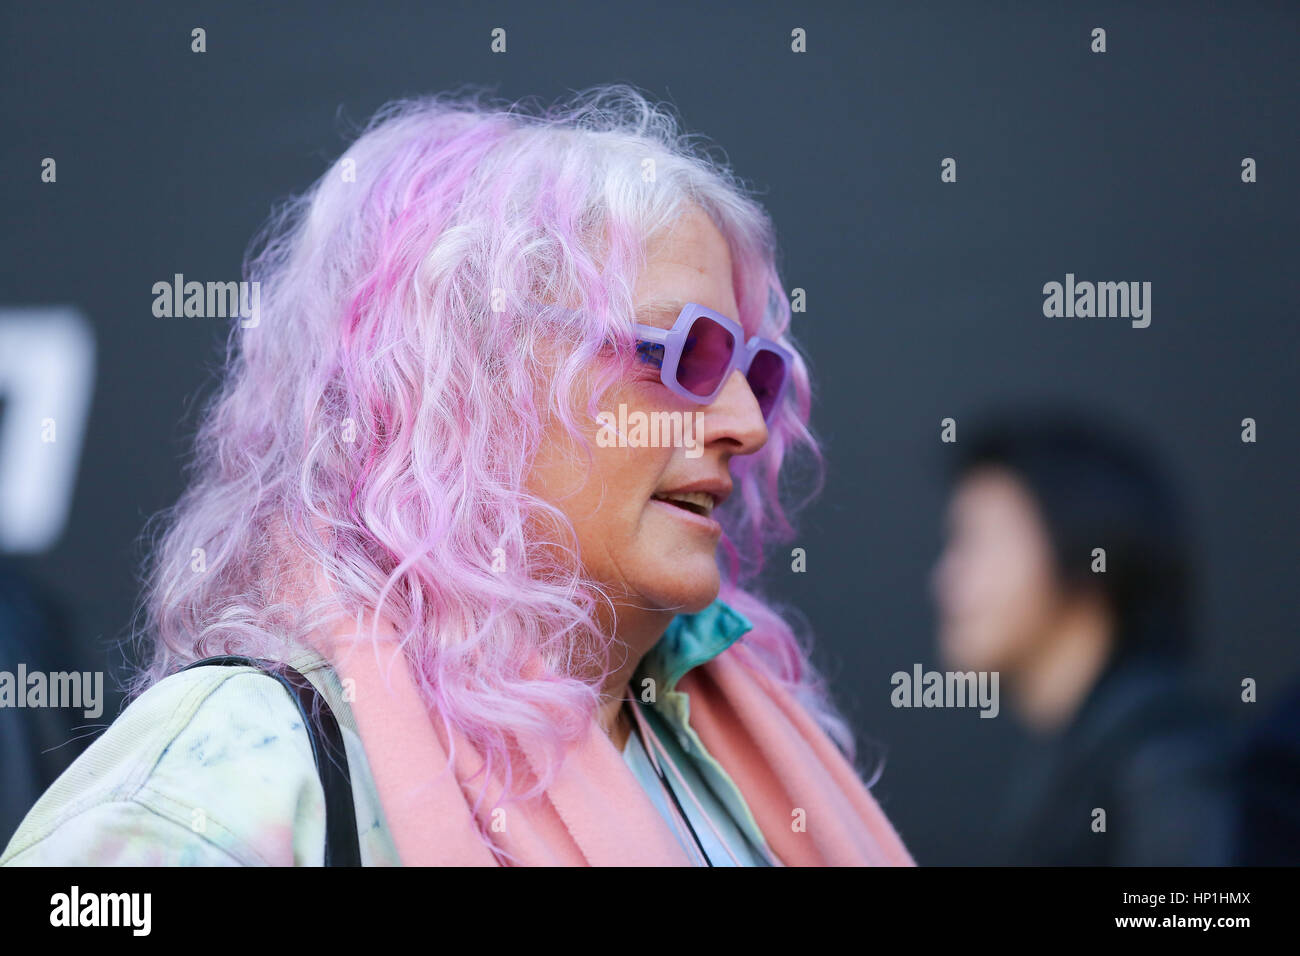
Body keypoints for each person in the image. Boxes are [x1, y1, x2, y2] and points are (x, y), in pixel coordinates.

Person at [2, 85, 913, 866]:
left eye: (754, 370)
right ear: (475, 378)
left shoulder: (728, 727)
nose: (747, 426)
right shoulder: (238, 763)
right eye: (684, 356)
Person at [930, 410, 1236, 865]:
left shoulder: (1167, 752)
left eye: (977, 542)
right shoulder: (1085, 755)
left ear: (1087, 549)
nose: (945, 579)